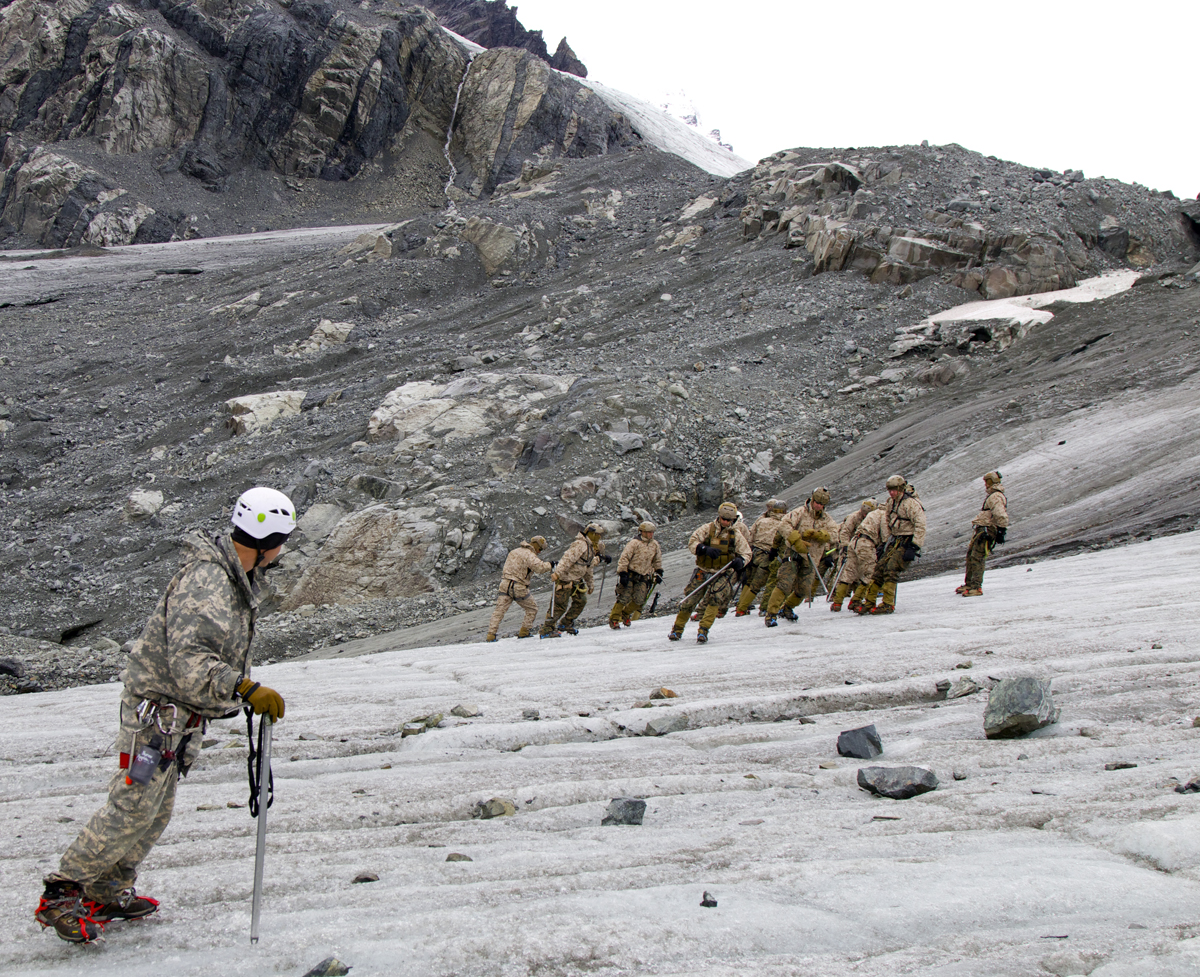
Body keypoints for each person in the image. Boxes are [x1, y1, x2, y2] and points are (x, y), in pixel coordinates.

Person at [35, 488, 294, 945]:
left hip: (179, 717)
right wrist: (243, 687)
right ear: (266, 540)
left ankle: (107, 889)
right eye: (283, 540)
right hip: (157, 715)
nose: (283, 550)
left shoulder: (233, 576)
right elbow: (189, 659)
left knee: (154, 811)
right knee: (132, 805)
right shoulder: (209, 580)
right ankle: (62, 892)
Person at [669, 502, 750, 643]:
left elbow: (746, 553)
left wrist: (741, 561)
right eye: (723, 519)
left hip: (722, 573)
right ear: (719, 517)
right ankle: (677, 630)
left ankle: (703, 630)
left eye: (729, 520)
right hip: (703, 570)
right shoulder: (707, 529)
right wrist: (704, 549)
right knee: (690, 600)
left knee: (715, 600)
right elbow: (692, 542)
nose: (725, 522)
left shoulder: (735, 535)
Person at [764, 488, 838, 627]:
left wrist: (822, 535)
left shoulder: (827, 519)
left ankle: (787, 608)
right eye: (817, 502)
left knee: (804, 588)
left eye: (822, 504)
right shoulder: (799, 512)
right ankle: (771, 614)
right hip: (793, 553)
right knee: (784, 583)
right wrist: (796, 540)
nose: (818, 506)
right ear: (812, 500)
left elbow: (835, 534)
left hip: (812, 558)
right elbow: (783, 525)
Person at [861, 474, 926, 615]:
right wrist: (885, 542)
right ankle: (869, 601)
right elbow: (887, 520)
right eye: (889, 490)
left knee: (891, 569)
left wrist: (915, 546)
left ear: (901, 489)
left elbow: (921, 524)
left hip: (907, 541)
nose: (891, 493)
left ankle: (888, 603)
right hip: (895, 540)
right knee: (879, 569)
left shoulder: (911, 504)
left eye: (894, 490)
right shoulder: (891, 502)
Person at [540, 522, 609, 637]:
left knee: (581, 601)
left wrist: (590, 584)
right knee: (559, 606)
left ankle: (566, 623)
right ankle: (547, 629)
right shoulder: (580, 545)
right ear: (591, 533)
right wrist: (557, 573)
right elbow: (567, 559)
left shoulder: (590, 548)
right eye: (597, 534)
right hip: (566, 579)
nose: (599, 537)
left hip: (577, 580)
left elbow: (588, 567)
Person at [487, 536, 553, 640]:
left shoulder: (514, 552)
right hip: (519, 587)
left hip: (505, 584)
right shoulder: (530, 555)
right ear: (536, 545)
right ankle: (524, 632)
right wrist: (551, 564)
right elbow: (540, 568)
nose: (540, 552)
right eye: (540, 549)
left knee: (499, 611)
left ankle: (491, 635)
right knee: (532, 609)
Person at [734, 499, 788, 615]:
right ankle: (746, 608)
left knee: (749, 581)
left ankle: (740, 607)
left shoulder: (761, 521)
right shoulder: (784, 524)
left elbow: (751, 536)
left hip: (754, 552)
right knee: (758, 584)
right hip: (768, 556)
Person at [958, 471, 1009, 596]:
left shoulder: (995, 496)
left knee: (977, 557)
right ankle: (969, 584)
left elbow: (1000, 514)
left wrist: (1001, 530)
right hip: (983, 529)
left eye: (987, 481)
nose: (986, 484)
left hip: (987, 530)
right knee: (971, 555)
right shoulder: (994, 495)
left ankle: (976, 586)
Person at [831, 501, 885, 612]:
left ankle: (838, 602)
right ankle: (855, 599)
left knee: (850, 573)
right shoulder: (854, 517)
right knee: (868, 573)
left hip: (855, 542)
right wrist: (845, 545)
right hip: (861, 544)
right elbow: (845, 532)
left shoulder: (872, 515)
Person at [609, 522, 663, 628]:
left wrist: (659, 571)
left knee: (640, 599)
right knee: (624, 597)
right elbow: (624, 558)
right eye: (649, 532)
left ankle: (625, 614)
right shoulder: (634, 543)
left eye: (652, 532)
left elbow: (657, 560)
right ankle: (614, 619)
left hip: (644, 575)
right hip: (630, 574)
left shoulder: (655, 545)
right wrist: (622, 573)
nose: (651, 534)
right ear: (642, 532)